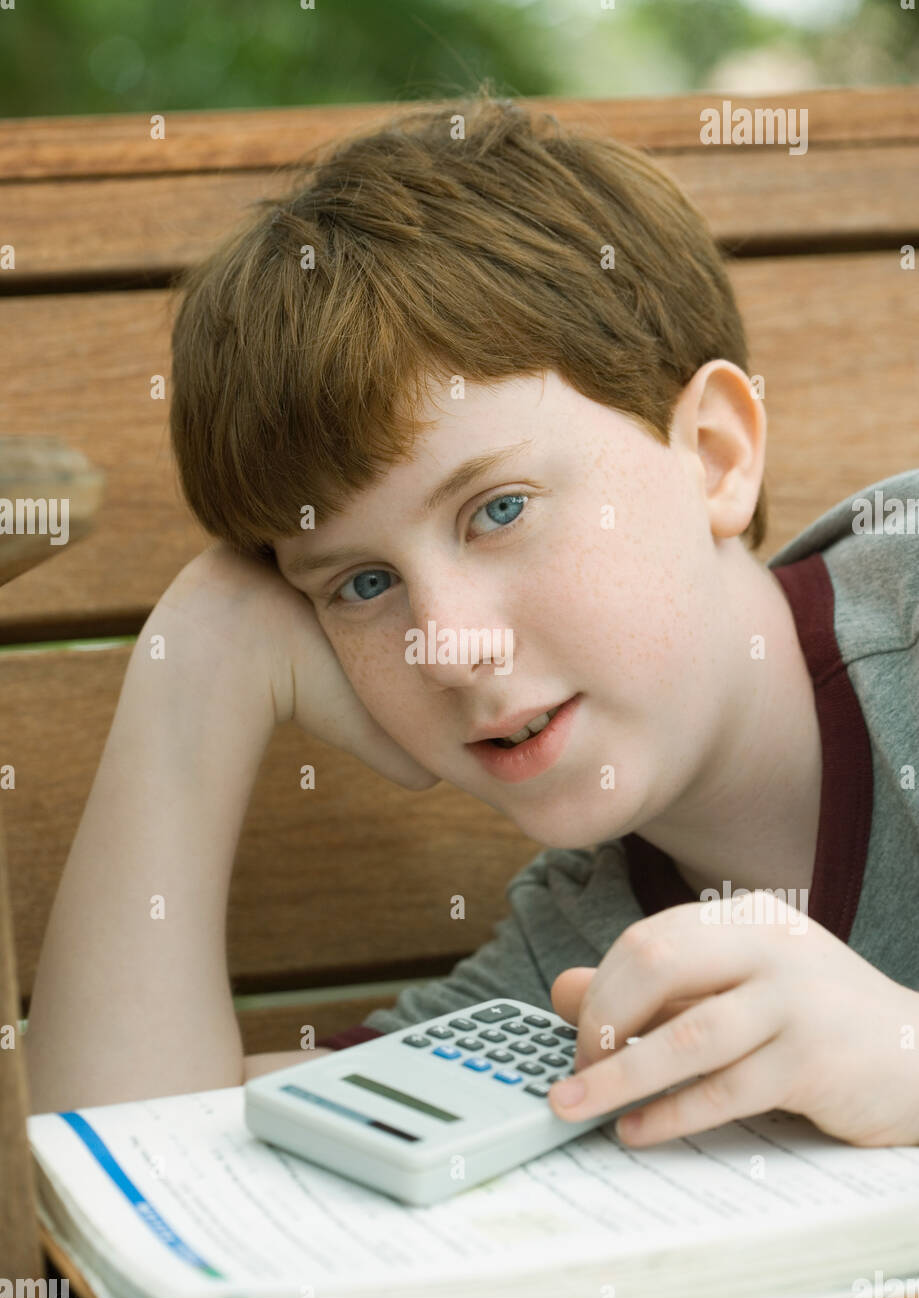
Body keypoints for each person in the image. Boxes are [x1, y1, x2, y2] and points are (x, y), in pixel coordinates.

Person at [26, 88, 919, 1149]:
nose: (448, 647)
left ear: (715, 457)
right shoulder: (579, 952)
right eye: (362, 585)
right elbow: (138, 1157)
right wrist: (200, 661)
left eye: (498, 510)